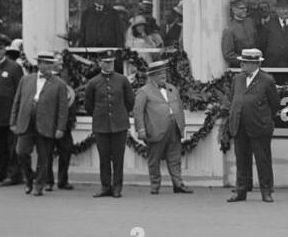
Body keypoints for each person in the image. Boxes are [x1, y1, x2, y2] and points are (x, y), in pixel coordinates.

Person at [9, 51, 70, 197]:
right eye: (46, 63)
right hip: (25, 122)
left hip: (46, 124)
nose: (49, 66)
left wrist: (61, 127)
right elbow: (16, 101)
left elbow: (63, 108)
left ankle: (39, 184)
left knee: (44, 156)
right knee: (21, 152)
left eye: (51, 63)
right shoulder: (26, 80)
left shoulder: (60, 84)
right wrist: (13, 121)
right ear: (39, 64)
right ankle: (29, 179)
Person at [227, 48, 280, 202]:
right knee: (241, 160)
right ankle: (241, 190)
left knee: (263, 159)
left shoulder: (267, 80)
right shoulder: (237, 79)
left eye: (245, 62)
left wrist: (263, 118)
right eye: (242, 61)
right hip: (240, 125)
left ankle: (266, 190)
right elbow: (233, 98)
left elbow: (274, 104)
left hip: (259, 125)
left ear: (255, 64)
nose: (241, 64)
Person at [82, 51, 137, 198]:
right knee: (104, 157)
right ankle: (105, 187)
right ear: (100, 63)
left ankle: (117, 187)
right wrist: (100, 114)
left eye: (111, 62)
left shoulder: (122, 80)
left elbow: (130, 101)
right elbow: (88, 105)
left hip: (119, 125)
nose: (109, 65)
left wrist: (121, 113)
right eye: (106, 62)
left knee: (118, 158)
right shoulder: (93, 82)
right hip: (101, 126)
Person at [134, 58, 192, 195]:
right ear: (152, 76)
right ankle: (155, 185)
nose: (163, 77)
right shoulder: (144, 91)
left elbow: (179, 107)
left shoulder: (172, 88)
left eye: (165, 74)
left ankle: (178, 184)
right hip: (156, 129)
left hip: (174, 128)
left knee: (175, 158)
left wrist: (181, 126)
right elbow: (138, 111)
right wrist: (141, 129)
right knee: (154, 159)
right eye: (160, 75)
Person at [47, 76, 78, 191]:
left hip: (65, 126)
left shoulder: (66, 87)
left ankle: (62, 181)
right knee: (46, 154)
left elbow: (71, 103)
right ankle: (48, 181)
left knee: (66, 152)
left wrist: (72, 120)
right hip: (48, 124)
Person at [221, 0, 262, 67]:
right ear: (234, 10)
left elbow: (256, 41)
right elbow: (228, 54)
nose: (245, 10)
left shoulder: (250, 22)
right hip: (240, 68)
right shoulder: (230, 29)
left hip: (255, 64)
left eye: (246, 8)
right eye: (241, 8)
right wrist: (246, 60)